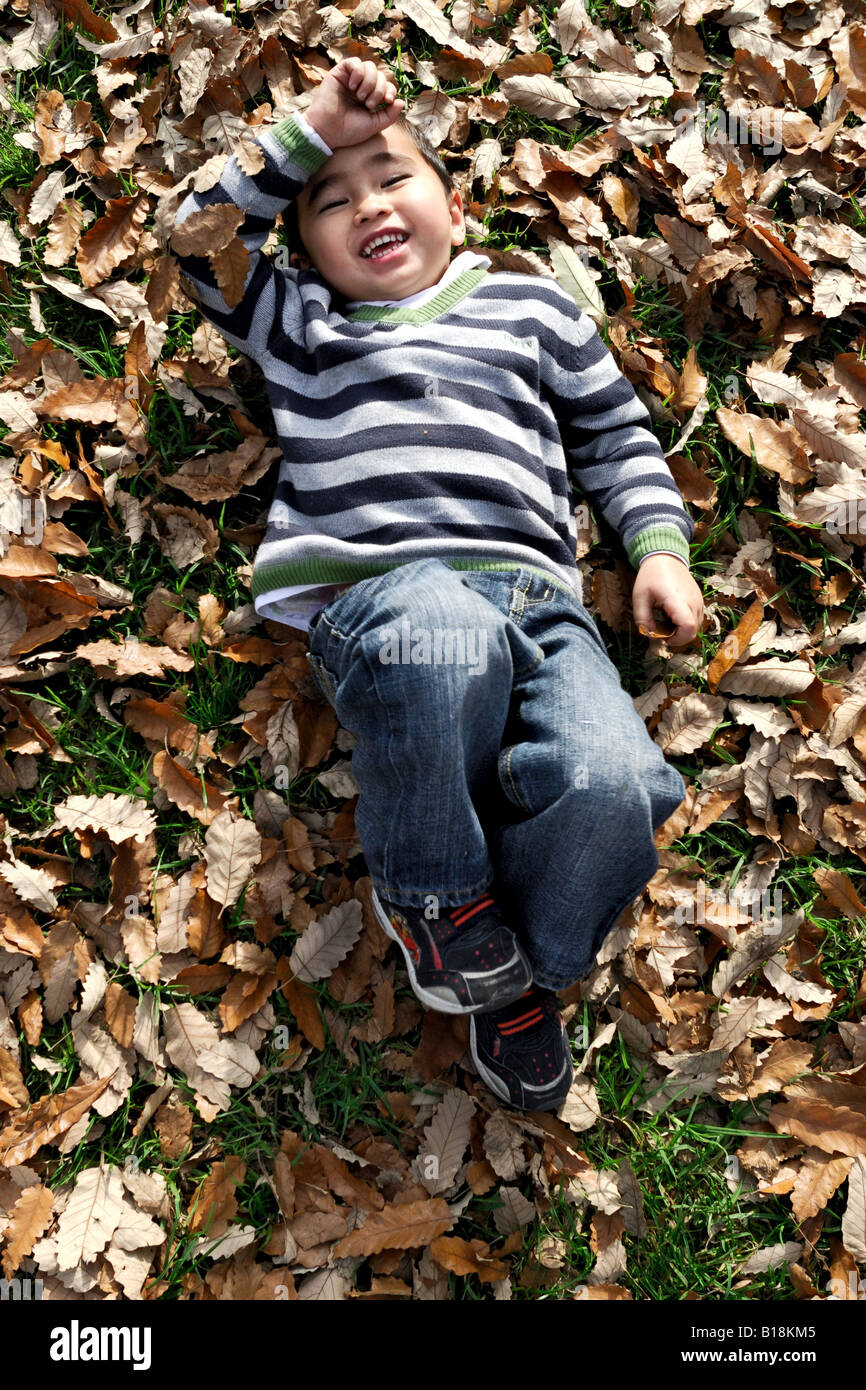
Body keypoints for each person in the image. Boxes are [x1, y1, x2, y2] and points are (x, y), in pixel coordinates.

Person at [165, 57, 704, 1112]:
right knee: (438, 632)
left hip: (539, 605)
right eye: (330, 196)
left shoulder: (530, 312)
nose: (366, 202)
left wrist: (656, 546)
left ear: (453, 208)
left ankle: (520, 974)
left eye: (390, 177)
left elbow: (612, 431)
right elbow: (197, 244)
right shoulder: (303, 329)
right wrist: (306, 128)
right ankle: (438, 905)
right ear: (305, 245)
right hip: (389, 597)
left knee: (616, 784)